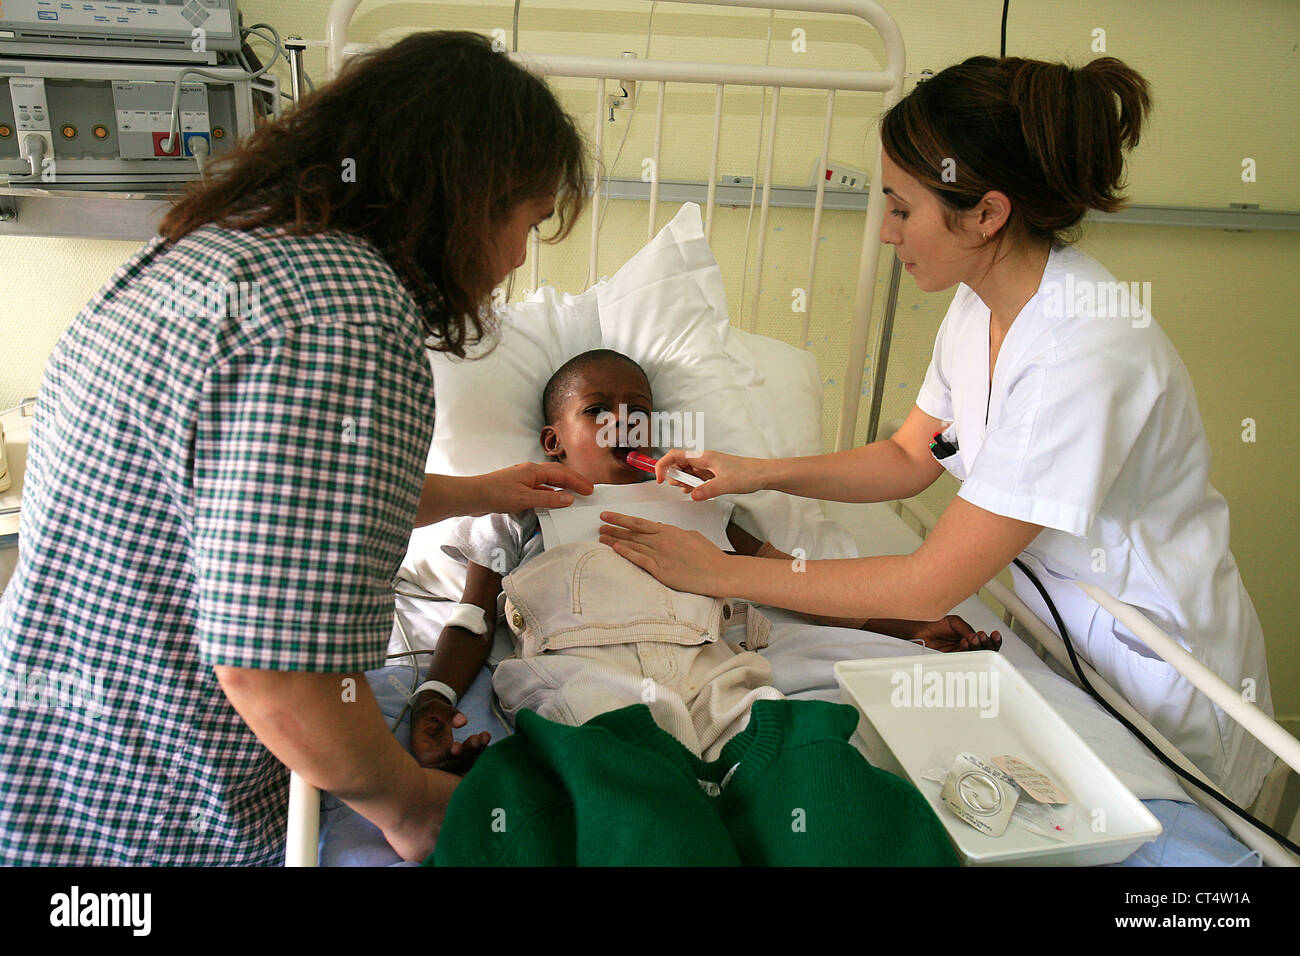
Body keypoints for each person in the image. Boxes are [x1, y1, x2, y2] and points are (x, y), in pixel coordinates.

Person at [598, 56, 1275, 809]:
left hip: (1157, 670)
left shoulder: (1083, 351)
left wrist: (717, 572)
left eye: (901, 207)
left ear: (986, 213)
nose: (886, 232)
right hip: (1060, 645)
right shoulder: (980, 303)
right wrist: (757, 472)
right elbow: (907, 456)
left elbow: (931, 584)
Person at [0, 31, 595, 866]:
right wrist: (412, 803)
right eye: (527, 223)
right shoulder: (348, 319)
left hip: (47, 765)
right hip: (162, 816)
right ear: (472, 195)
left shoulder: (205, 252)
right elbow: (273, 674)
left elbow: (273, 510)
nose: (516, 262)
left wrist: (484, 490)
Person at [410, 349, 1000, 773]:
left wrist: (912, 627)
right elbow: (472, 618)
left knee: (805, 759)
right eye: (596, 410)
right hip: (586, 672)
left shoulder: (698, 503)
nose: (622, 422)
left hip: (711, 670)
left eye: (638, 411)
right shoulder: (521, 506)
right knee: (619, 772)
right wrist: (435, 694)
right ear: (552, 442)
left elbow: (796, 584)